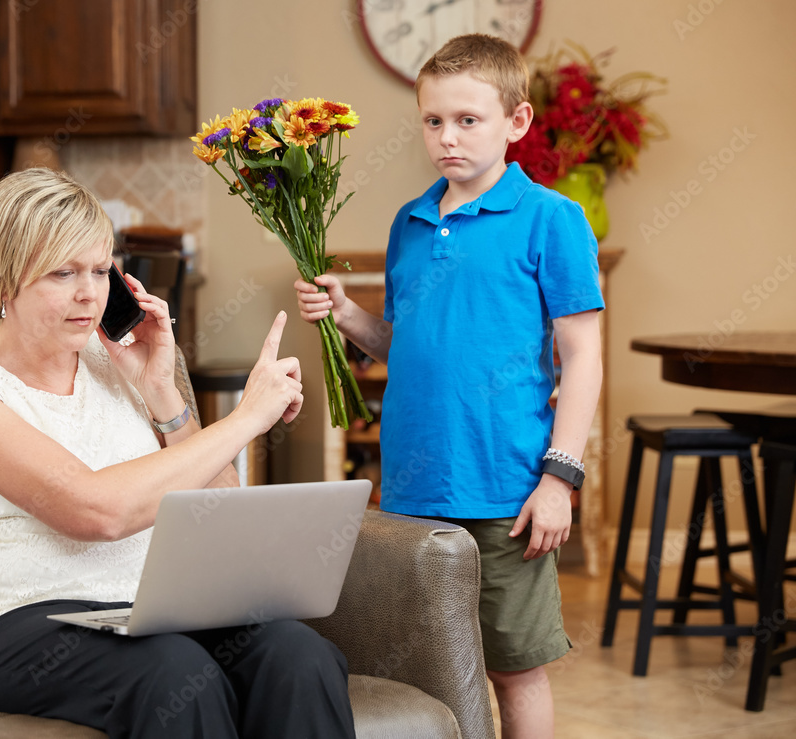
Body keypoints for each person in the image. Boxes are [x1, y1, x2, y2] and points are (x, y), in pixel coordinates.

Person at [0, 167, 355, 738]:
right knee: (173, 672)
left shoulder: (119, 359)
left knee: (298, 655)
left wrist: (161, 391)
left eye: (98, 269)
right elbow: (94, 512)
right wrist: (247, 419)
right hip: (17, 628)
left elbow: (217, 501)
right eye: (62, 273)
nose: (89, 294)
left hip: (147, 615)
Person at [295, 34, 603, 739]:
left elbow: (583, 357)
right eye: (434, 121)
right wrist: (347, 315)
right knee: (425, 665)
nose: (447, 137)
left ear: (516, 123)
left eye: (468, 120)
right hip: (410, 491)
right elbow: (405, 348)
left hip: (506, 490)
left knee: (514, 664)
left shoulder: (551, 220)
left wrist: (560, 476)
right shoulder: (410, 222)